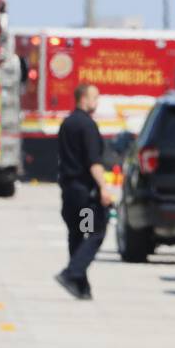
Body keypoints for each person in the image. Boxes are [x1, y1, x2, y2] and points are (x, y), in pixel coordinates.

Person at [55, 83, 114, 299]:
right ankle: (72, 273)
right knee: (94, 233)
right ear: (83, 99)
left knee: (77, 235)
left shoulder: (67, 123)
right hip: (84, 196)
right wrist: (104, 188)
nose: (96, 102)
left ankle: (81, 287)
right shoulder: (87, 126)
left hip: (68, 191)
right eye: (94, 98)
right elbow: (94, 162)